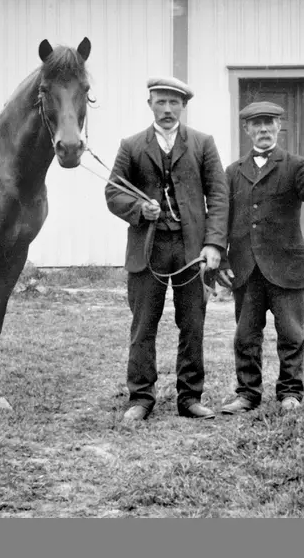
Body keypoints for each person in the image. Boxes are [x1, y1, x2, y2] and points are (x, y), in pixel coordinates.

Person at [105, 76, 229, 422]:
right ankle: (141, 398)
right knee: (143, 325)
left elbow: (218, 196)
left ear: (183, 107)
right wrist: (139, 210)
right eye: (161, 102)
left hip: (192, 249)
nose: (168, 109)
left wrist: (214, 244)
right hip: (148, 247)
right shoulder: (131, 146)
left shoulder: (203, 144)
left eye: (174, 103)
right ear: (150, 105)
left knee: (192, 323)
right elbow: (113, 193)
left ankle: (190, 397)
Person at [218, 101, 304, 415]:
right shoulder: (232, 172)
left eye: (269, 123)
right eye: (256, 124)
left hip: (286, 267)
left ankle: (290, 393)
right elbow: (221, 219)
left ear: (278, 127)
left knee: (291, 334)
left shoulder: (296, 166)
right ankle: (247, 394)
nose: (264, 129)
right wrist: (223, 262)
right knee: (245, 336)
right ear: (247, 130)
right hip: (245, 269)